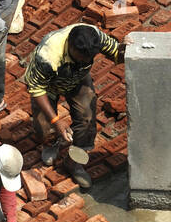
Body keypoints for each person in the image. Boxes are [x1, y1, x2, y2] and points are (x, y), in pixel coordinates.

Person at [23, 23, 123, 190]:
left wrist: (134, 50)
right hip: (48, 86)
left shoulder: (95, 38)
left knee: (87, 118)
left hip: (77, 78)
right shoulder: (47, 55)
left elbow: (116, 52)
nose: (85, 61)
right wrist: (56, 121)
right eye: (80, 58)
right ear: (69, 45)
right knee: (44, 127)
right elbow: (36, 89)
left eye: (88, 59)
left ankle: (74, 162)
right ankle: (51, 144)